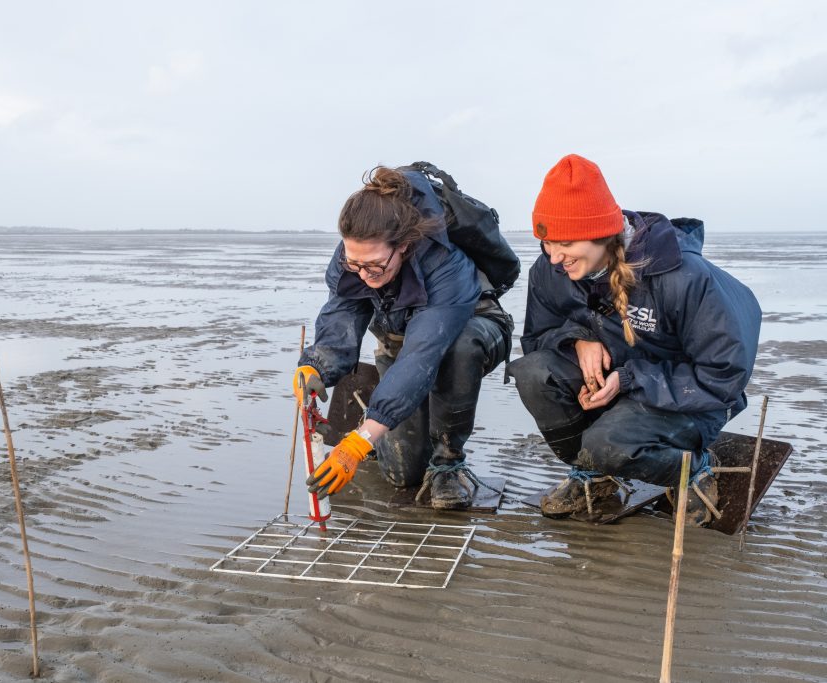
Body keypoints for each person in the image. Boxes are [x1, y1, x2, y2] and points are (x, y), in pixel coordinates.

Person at [507, 154, 761, 526]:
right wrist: (577, 340)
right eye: (546, 242)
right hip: (618, 386)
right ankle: (593, 475)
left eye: (566, 242)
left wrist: (629, 379)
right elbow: (536, 338)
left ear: (601, 233)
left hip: (691, 399)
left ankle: (697, 467)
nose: (555, 256)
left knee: (606, 445)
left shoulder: (683, 277)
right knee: (534, 373)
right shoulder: (550, 269)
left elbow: (721, 376)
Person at [294, 166, 513, 510]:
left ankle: (448, 463)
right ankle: (373, 404)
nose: (364, 275)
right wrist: (316, 365)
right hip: (401, 342)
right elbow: (342, 313)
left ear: (405, 245)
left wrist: (360, 443)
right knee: (403, 474)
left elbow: (422, 355)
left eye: (375, 265)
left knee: (458, 350)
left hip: (468, 333)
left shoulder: (445, 263)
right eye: (354, 264)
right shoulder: (356, 257)